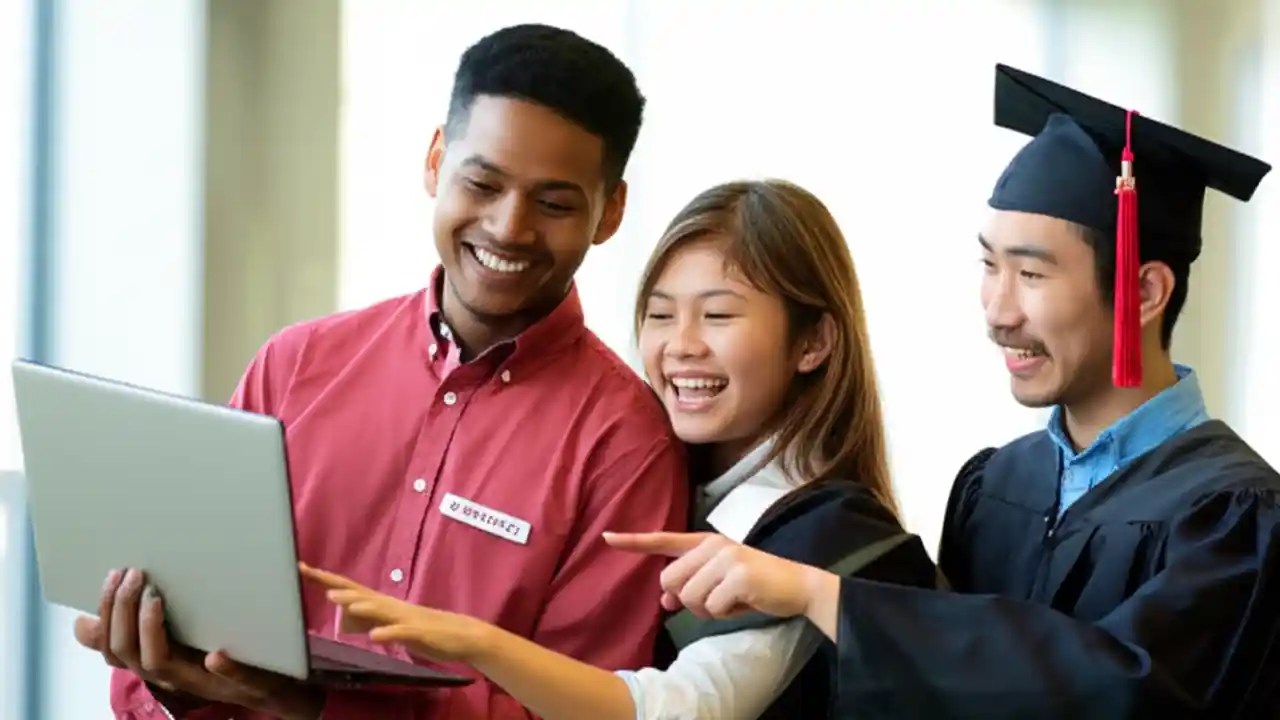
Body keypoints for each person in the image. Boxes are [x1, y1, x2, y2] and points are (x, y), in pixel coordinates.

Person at [607, 64, 1280, 718]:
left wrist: (828, 596)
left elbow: (1120, 691)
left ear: (1143, 292)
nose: (997, 310)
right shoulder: (995, 484)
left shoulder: (1234, 516)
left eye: (1032, 275)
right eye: (990, 266)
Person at [71, 23, 689, 720]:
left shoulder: (627, 446)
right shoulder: (296, 366)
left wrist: (316, 708)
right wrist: (167, 681)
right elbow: (178, 639)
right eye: (482, 183)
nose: (510, 228)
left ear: (610, 212)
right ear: (434, 161)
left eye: (553, 204)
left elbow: (580, 711)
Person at [299, 178, 941, 719]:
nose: (681, 345)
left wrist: (472, 641)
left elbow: (684, 706)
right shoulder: (650, 476)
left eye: (718, 316)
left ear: (813, 344)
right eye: (661, 315)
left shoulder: (829, 538)